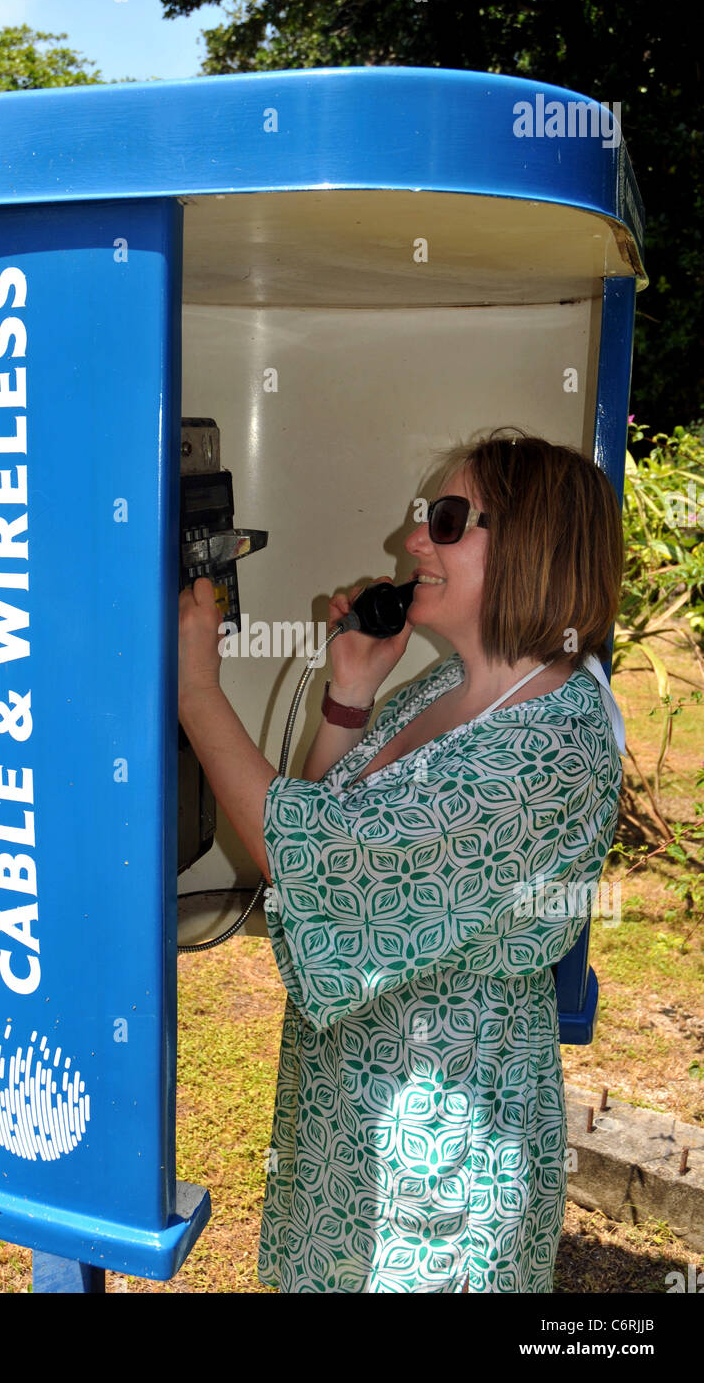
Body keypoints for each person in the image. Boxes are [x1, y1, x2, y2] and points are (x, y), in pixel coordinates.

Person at [177, 430, 626, 1293]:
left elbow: (300, 855)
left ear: (533, 545)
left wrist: (196, 688)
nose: (412, 540)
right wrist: (349, 694)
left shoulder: (543, 746)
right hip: (353, 1112)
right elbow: (323, 815)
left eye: (447, 521)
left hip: (439, 1154)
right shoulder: (450, 687)